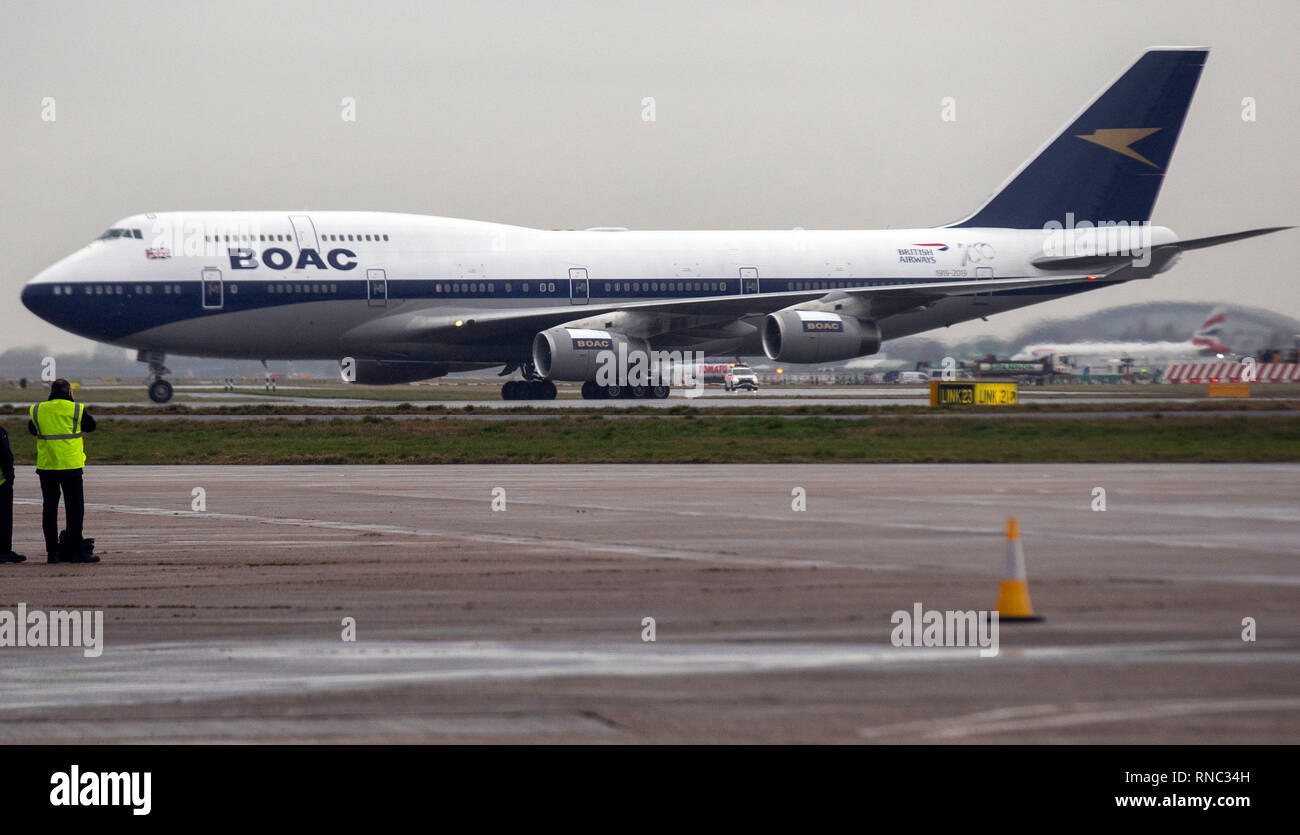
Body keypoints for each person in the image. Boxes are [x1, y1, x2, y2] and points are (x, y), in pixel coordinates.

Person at [28, 379, 98, 563]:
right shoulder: (75, 409)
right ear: (69, 393)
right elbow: (91, 426)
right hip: (70, 466)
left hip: (47, 466)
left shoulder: (38, 409)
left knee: (49, 509)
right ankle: (75, 551)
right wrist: (71, 403)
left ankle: (52, 553)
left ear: (51, 392)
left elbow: (32, 430)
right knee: (74, 509)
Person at [1, 423, 25, 563]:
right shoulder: (0, 432)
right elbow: (6, 457)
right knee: (4, 519)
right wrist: (10, 478)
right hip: (2, 484)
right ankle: (4, 551)